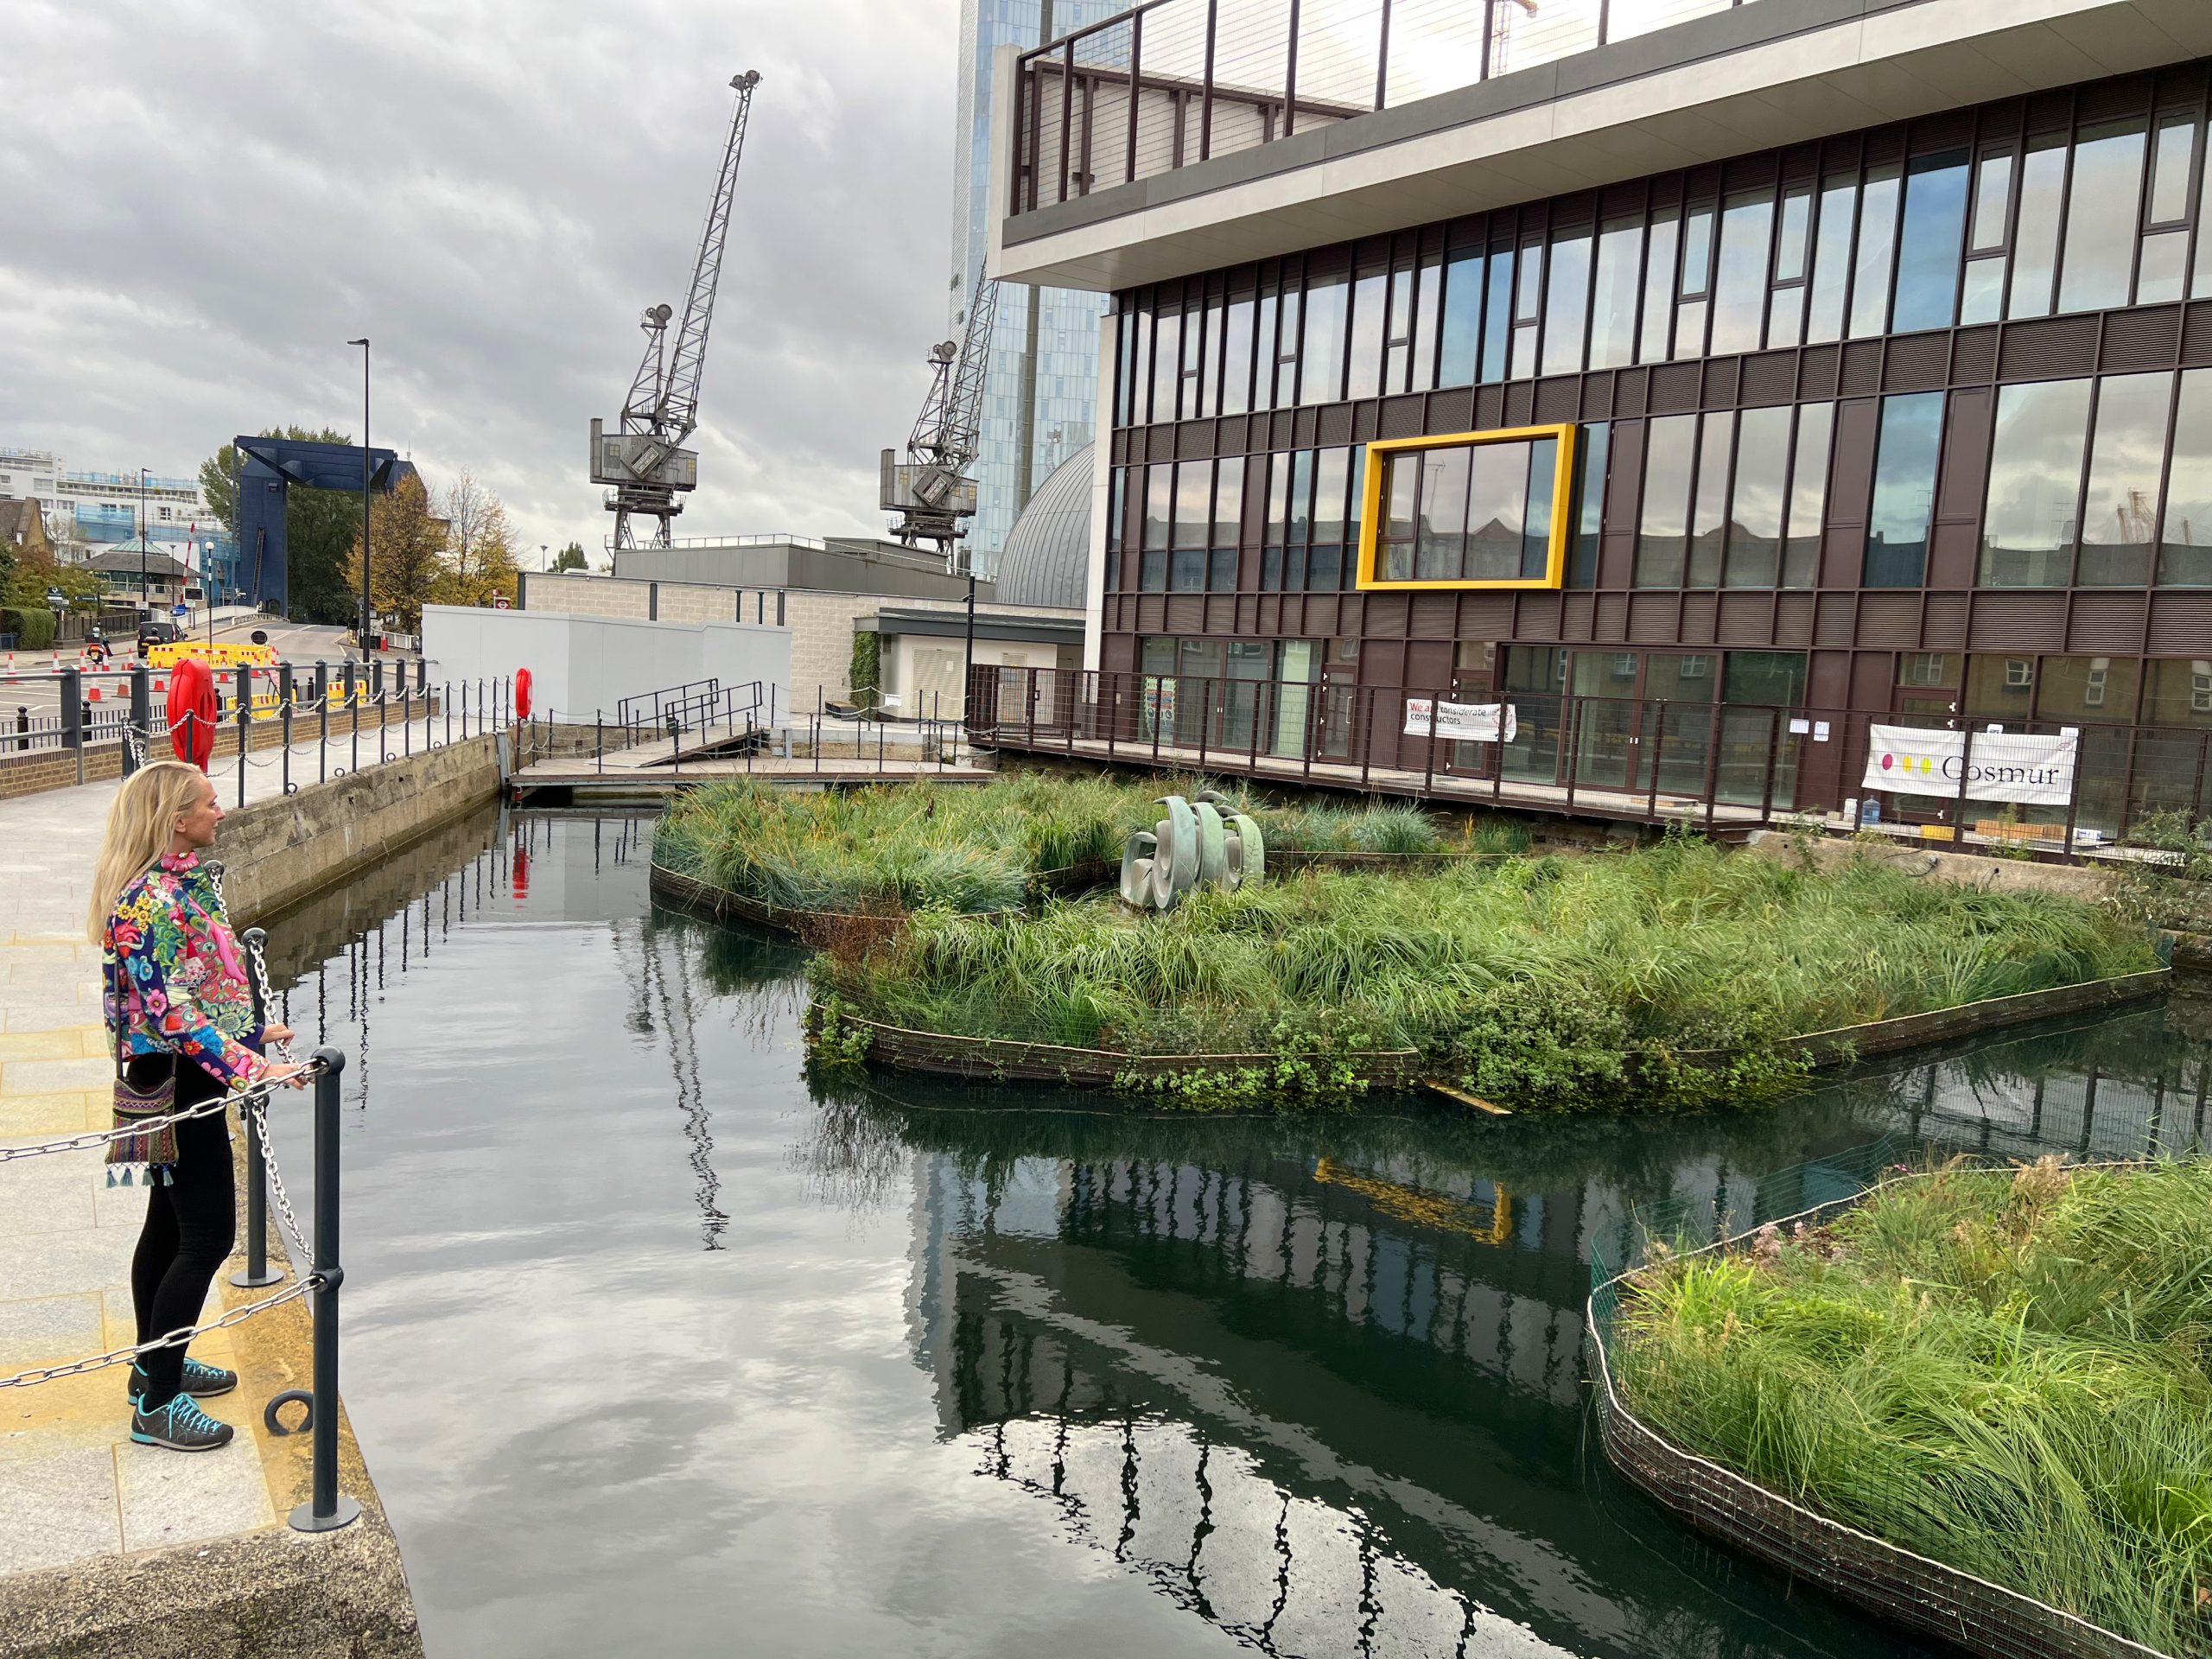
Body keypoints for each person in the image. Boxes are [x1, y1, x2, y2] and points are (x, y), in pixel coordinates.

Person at [87, 761, 304, 1452]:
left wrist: (247, 1029)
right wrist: (254, 1065)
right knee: (207, 1235)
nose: (222, 811)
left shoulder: (182, 884)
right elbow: (170, 1016)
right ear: (177, 819)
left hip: (181, 1070)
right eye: (210, 803)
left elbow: (191, 991)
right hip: (176, 1081)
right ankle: (157, 1402)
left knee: (166, 1226)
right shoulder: (151, 899)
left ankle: (154, 1364)